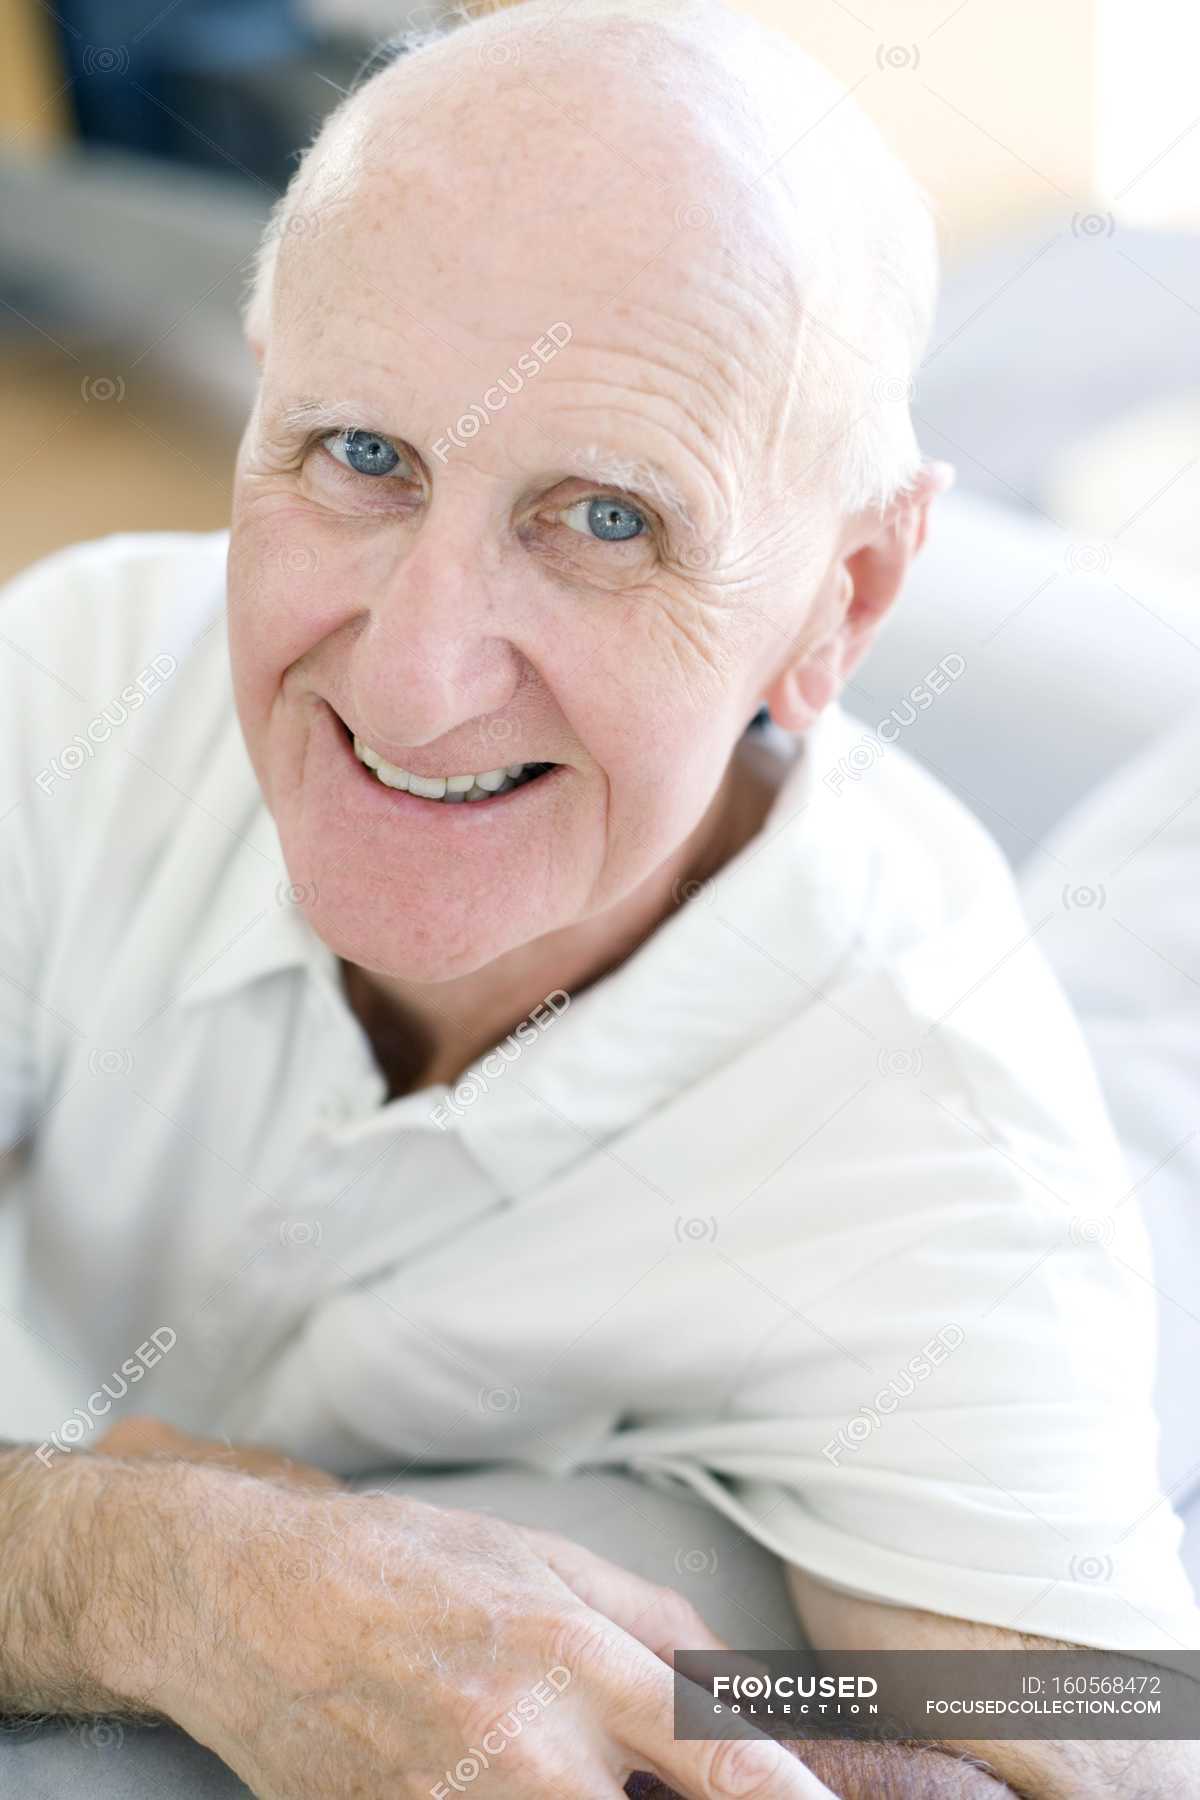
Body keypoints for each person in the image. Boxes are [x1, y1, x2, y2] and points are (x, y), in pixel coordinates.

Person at [0, 2, 1196, 1795]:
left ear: (846, 603)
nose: (410, 689)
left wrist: (746, 1715)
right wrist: (161, 1568)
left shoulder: (952, 1166)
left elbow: (1120, 1732)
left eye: (610, 521)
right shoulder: (84, 674)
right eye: (361, 456)